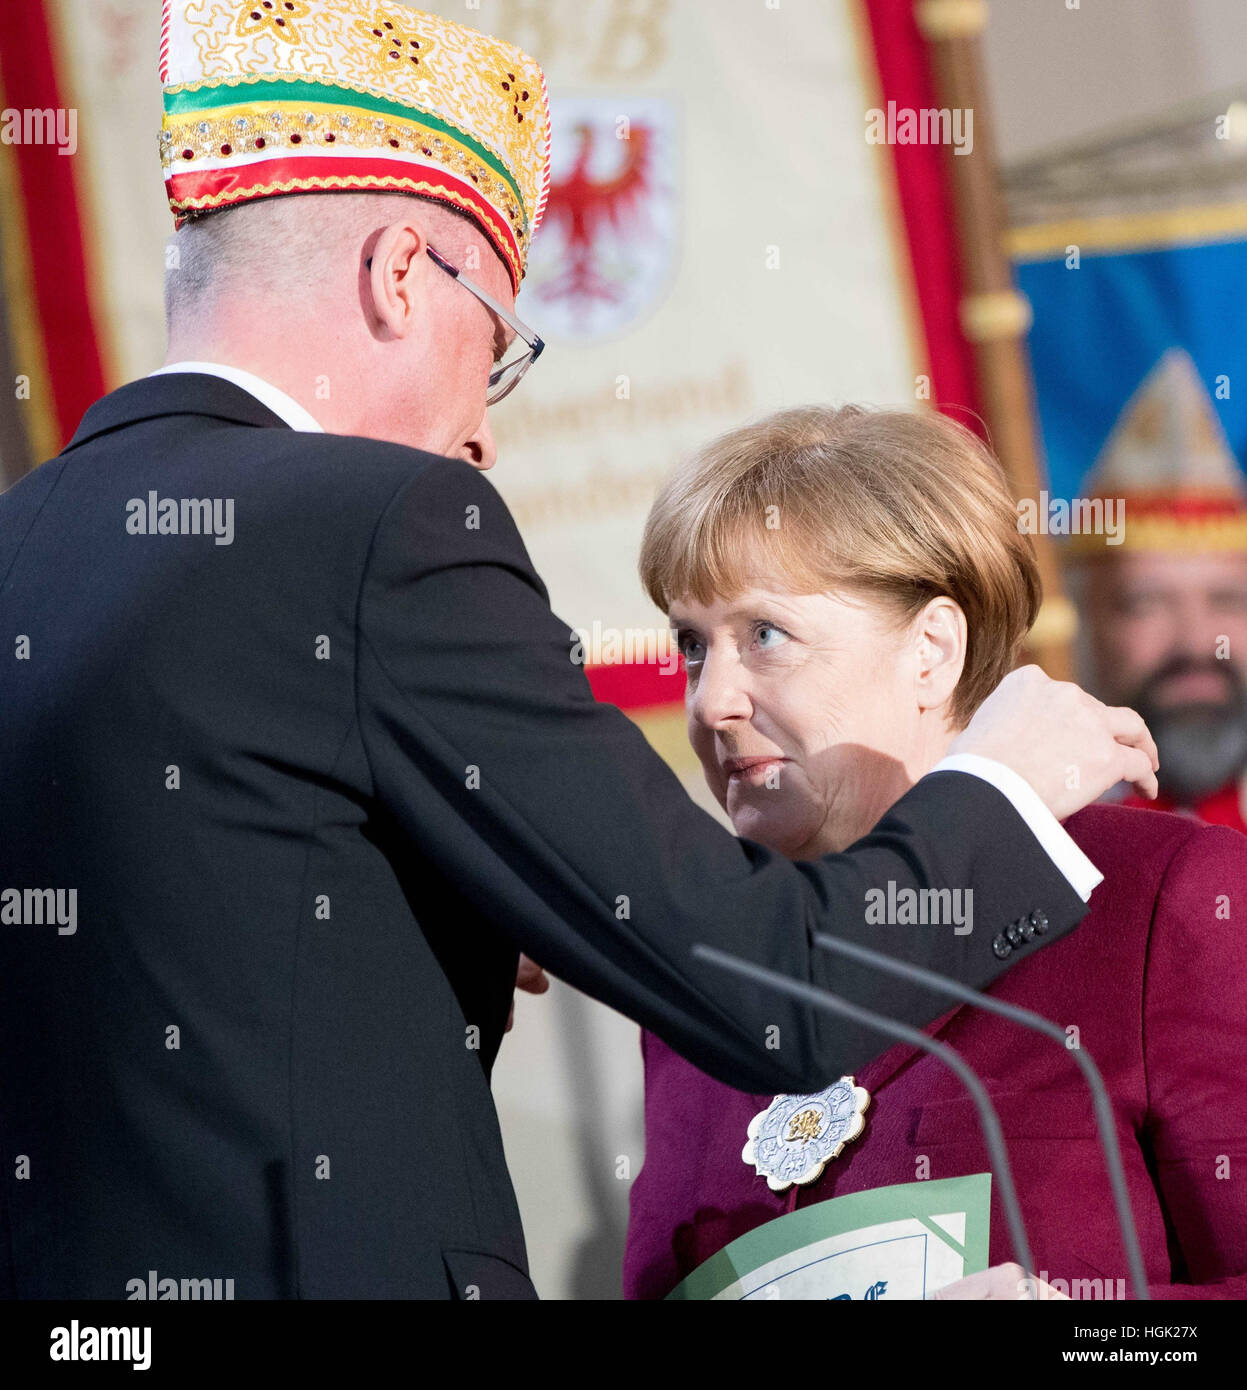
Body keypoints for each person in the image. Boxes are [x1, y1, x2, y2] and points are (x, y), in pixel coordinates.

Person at [0, 4, 1154, 1300]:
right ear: (397, 272)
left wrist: (439, 903)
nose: (483, 435)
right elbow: (772, 995)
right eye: (493, 344)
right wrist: (999, 784)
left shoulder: (24, 545)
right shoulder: (375, 521)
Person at [623, 405, 1246, 1300]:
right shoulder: (700, 975)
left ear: (931, 650)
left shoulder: (1160, 901)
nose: (711, 700)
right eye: (692, 645)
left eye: (764, 636)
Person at [1072, 348, 1247, 831]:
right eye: (1146, 603)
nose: (1195, 642)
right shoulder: (1030, 830)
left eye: (1227, 600)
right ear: (1085, 624)